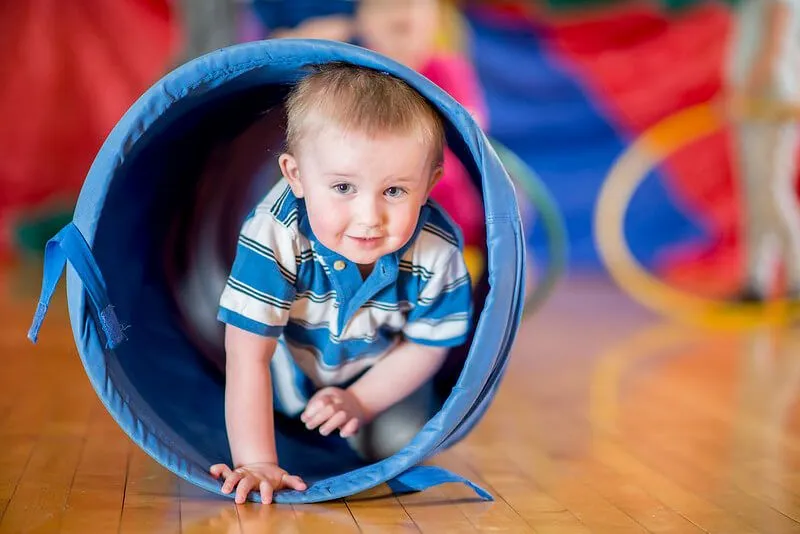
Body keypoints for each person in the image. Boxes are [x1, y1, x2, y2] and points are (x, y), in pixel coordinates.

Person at [209, 62, 474, 504]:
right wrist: (257, 463)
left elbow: (428, 344)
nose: (370, 217)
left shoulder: (436, 251)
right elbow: (246, 354)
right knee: (238, 432)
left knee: (399, 447)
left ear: (429, 183)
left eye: (394, 191)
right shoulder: (276, 233)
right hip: (282, 371)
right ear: (295, 176)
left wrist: (361, 401)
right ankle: (289, 435)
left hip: (380, 370)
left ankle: (357, 429)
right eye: (344, 188)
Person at [725, 0, 800, 301]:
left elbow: (774, 43)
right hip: (754, 105)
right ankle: (756, 281)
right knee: (755, 195)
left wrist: (744, 93)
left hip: (770, 101)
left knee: (771, 193)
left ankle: (797, 280)